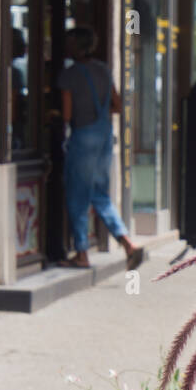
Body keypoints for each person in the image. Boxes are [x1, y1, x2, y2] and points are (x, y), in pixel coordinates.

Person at [57, 26, 144, 270]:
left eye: (69, 43)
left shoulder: (70, 74)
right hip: (104, 137)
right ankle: (128, 244)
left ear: (76, 46)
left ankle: (82, 253)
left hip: (82, 138)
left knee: (77, 196)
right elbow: (117, 105)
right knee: (100, 195)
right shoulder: (104, 71)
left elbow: (66, 113)